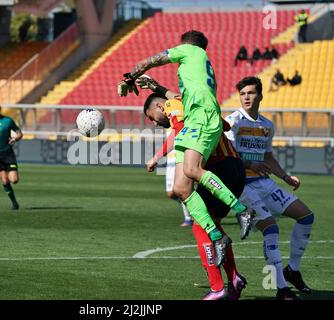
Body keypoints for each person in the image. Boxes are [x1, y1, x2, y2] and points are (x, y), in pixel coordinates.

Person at [117, 30, 255, 268]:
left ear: (186, 45)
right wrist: (157, 87)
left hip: (201, 117)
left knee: (192, 169)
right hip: (194, 119)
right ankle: (217, 236)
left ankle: (243, 211)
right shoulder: (198, 65)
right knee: (181, 188)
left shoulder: (190, 51)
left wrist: (130, 77)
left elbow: (149, 62)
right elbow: (181, 96)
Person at [139, 76, 247, 300]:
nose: (154, 123)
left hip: (221, 168)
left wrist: (182, 177)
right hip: (234, 167)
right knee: (212, 226)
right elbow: (222, 125)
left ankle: (217, 288)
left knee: (200, 226)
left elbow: (179, 134)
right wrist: (157, 156)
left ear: (160, 106)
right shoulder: (188, 106)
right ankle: (234, 278)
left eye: (152, 118)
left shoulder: (172, 106)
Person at [225, 76, 315, 300]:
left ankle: (292, 270)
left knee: (306, 217)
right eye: (243, 93)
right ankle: (281, 288)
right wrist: (248, 164)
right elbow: (228, 156)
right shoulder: (233, 121)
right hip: (241, 185)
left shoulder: (266, 125)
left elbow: (267, 156)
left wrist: (285, 177)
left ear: (260, 96)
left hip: (263, 182)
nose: (246, 97)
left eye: (251, 93)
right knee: (271, 228)